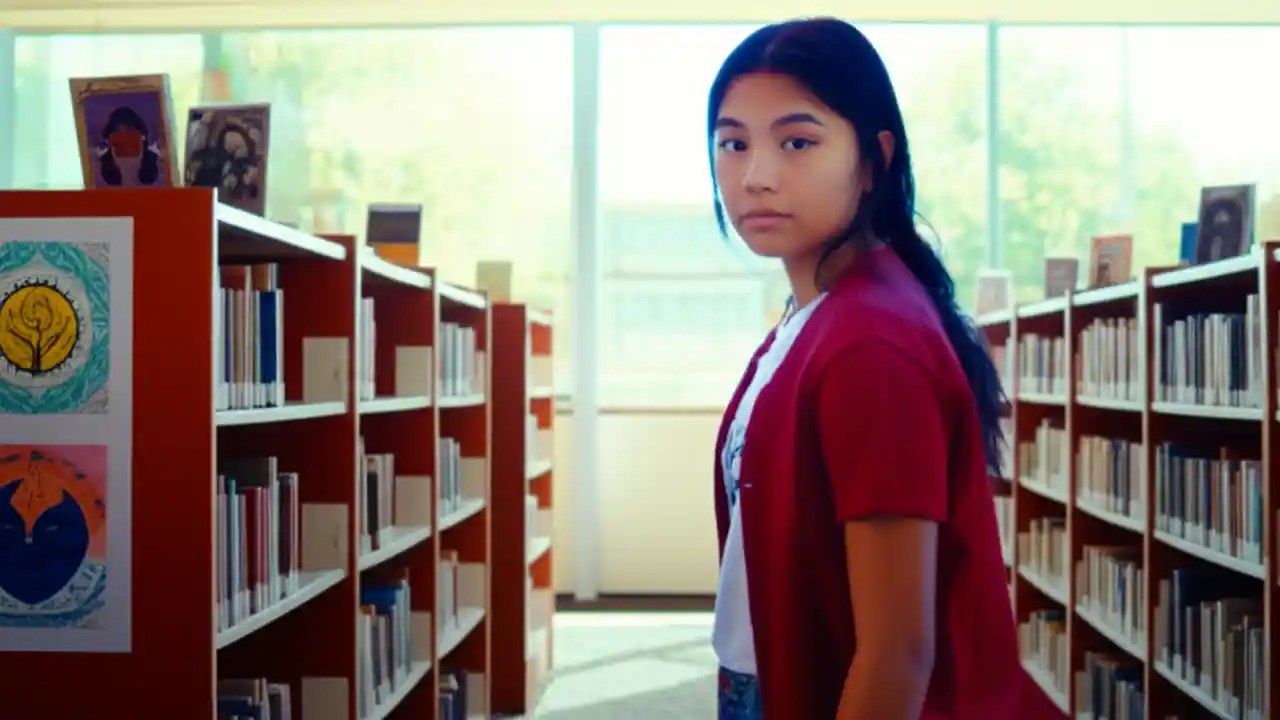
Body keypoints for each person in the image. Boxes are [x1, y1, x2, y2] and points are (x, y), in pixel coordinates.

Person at [707, 18, 1054, 720]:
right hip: (768, 670)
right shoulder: (817, 312)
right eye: (733, 142)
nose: (756, 175)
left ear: (874, 159)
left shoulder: (870, 340)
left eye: (797, 142)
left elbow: (897, 652)